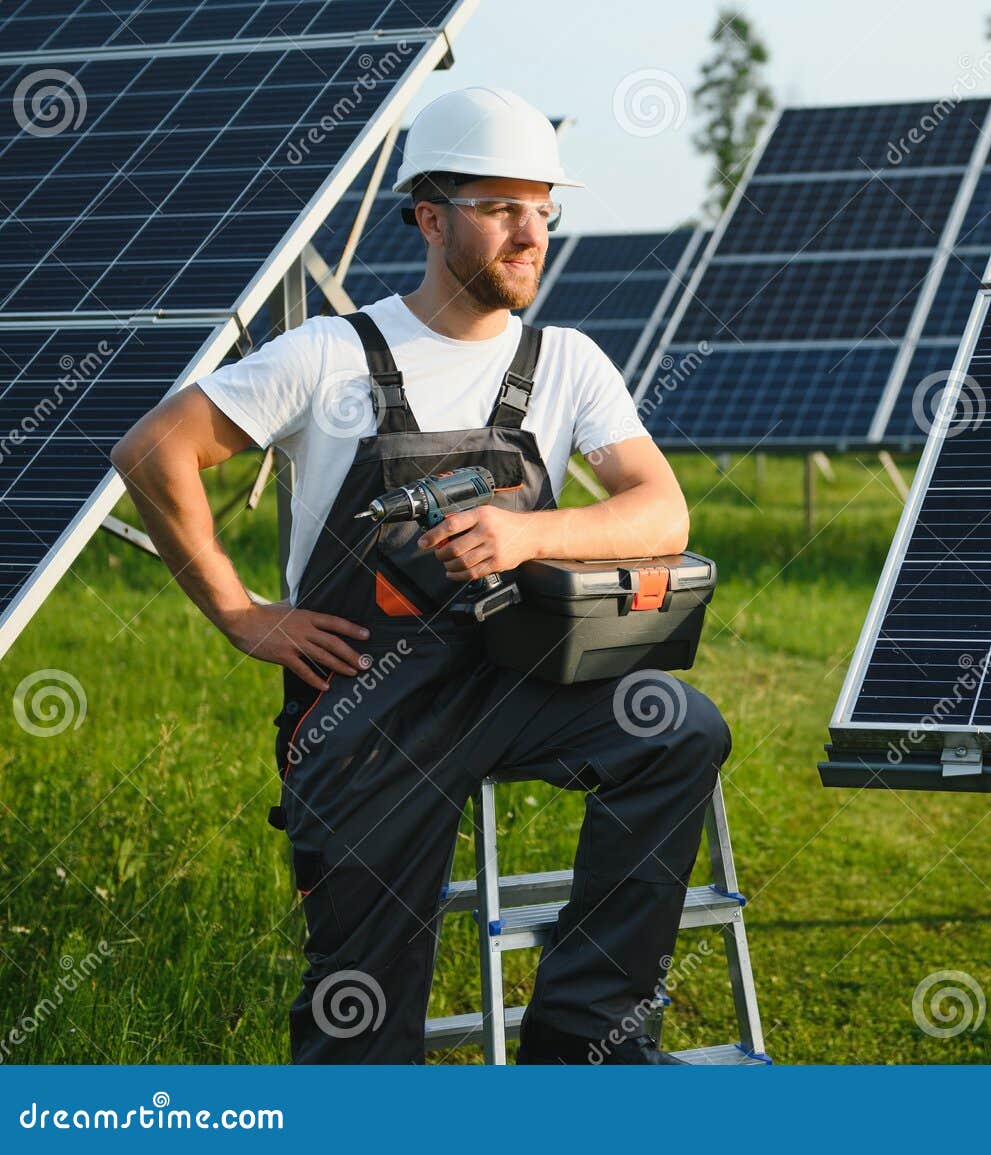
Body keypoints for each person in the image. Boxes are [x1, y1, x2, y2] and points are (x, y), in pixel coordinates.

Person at [109, 86, 732, 1065]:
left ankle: (582, 1040)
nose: (530, 234)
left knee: (679, 730)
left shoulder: (564, 361)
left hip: (519, 675)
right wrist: (239, 614)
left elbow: (663, 513)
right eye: (499, 208)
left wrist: (529, 538)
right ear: (430, 217)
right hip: (364, 701)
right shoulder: (330, 353)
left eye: (542, 210)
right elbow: (153, 451)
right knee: (360, 1011)